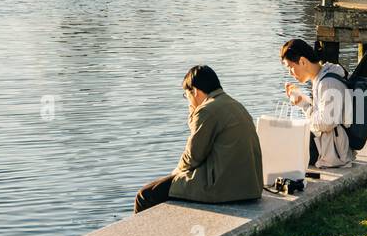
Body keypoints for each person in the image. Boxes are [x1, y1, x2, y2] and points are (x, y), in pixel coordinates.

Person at [133, 65, 263, 213]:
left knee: (145, 195)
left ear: (194, 91)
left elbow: (193, 156)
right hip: (250, 187)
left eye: (186, 95)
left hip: (222, 188)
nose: (188, 100)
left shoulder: (207, 110)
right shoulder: (235, 105)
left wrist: (174, 174)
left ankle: (142, 235)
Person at [279, 39, 355, 169]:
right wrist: (301, 101)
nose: (290, 73)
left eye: (290, 67)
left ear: (302, 61)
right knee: (282, 135)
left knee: (280, 142)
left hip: (333, 153)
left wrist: (304, 105)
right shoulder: (321, 78)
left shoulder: (328, 83)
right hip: (327, 145)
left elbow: (325, 123)